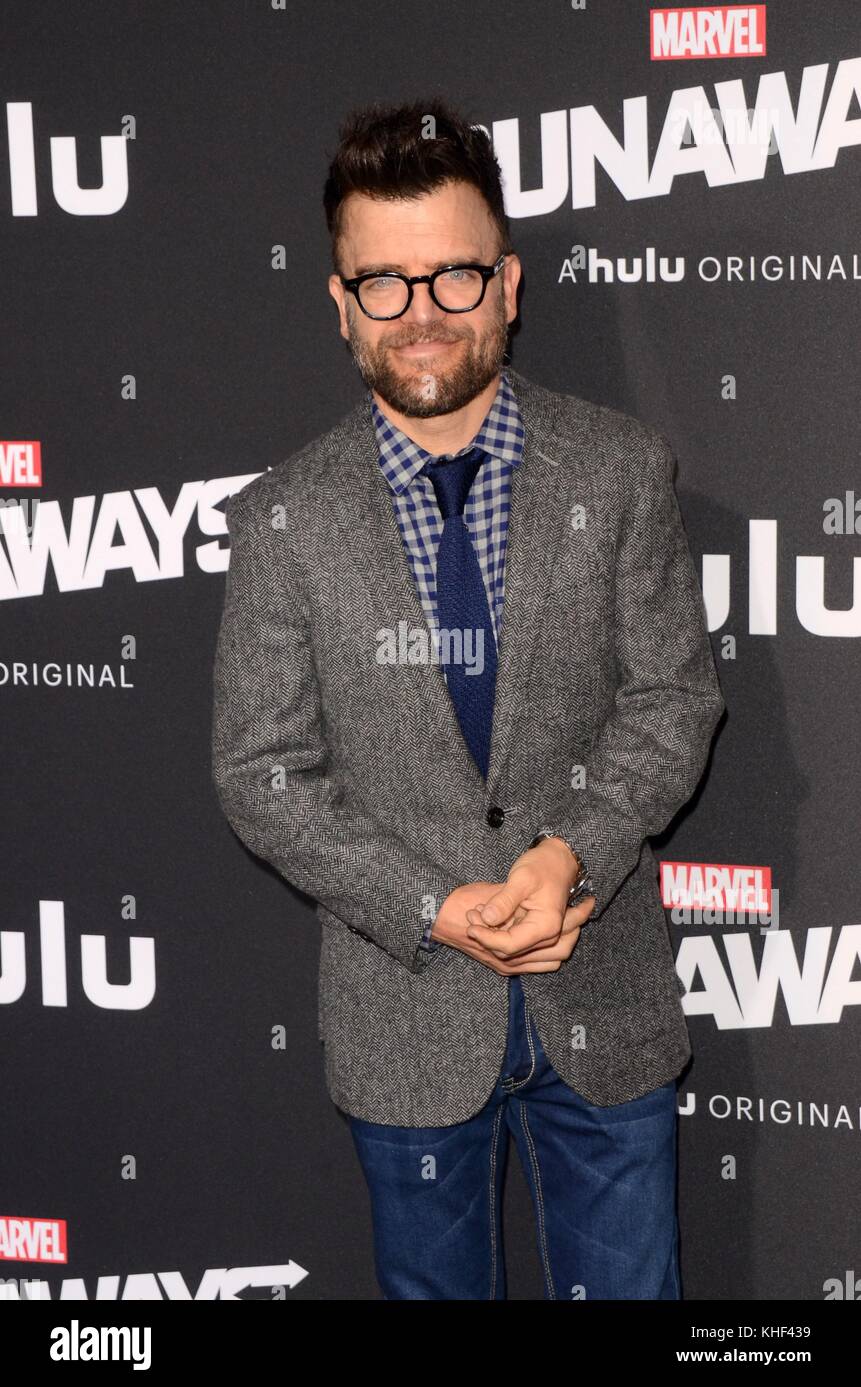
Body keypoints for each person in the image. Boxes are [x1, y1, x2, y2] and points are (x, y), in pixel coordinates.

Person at [211, 97, 725, 1300]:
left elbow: (671, 699)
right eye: (385, 284)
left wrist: (571, 859)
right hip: (404, 1015)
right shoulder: (282, 522)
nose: (423, 314)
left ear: (508, 284)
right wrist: (435, 904)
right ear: (341, 305)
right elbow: (262, 772)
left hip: (605, 992)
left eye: (454, 275)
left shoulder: (621, 468)